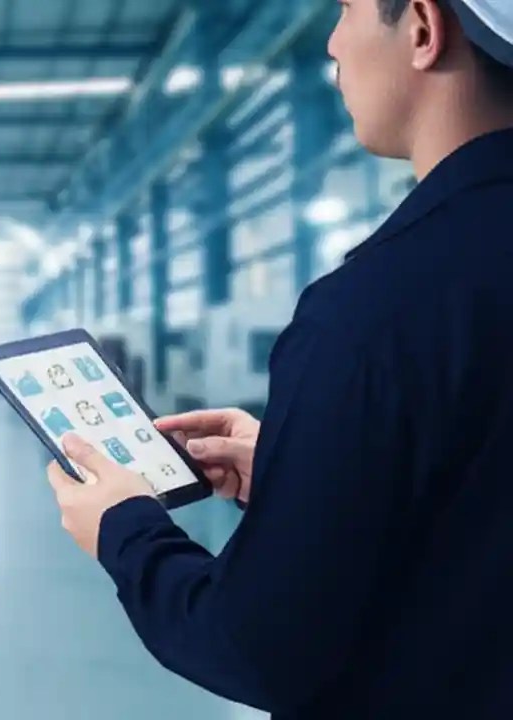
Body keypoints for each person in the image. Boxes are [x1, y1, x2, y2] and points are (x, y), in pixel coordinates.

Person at [44, 1, 513, 717]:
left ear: (422, 27)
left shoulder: (373, 311)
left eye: (348, 9)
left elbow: (259, 649)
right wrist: (322, 475)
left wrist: (123, 528)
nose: (331, 43)